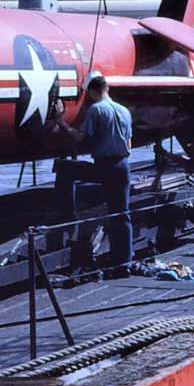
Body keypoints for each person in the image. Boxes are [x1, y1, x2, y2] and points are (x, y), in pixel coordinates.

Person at [53, 74, 135, 274]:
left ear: (91, 91)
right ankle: (124, 262)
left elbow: (80, 138)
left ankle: (67, 219)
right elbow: (129, 143)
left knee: (64, 168)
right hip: (124, 165)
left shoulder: (96, 109)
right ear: (107, 88)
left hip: (105, 166)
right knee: (121, 213)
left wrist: (60, 120)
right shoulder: (124, 110)